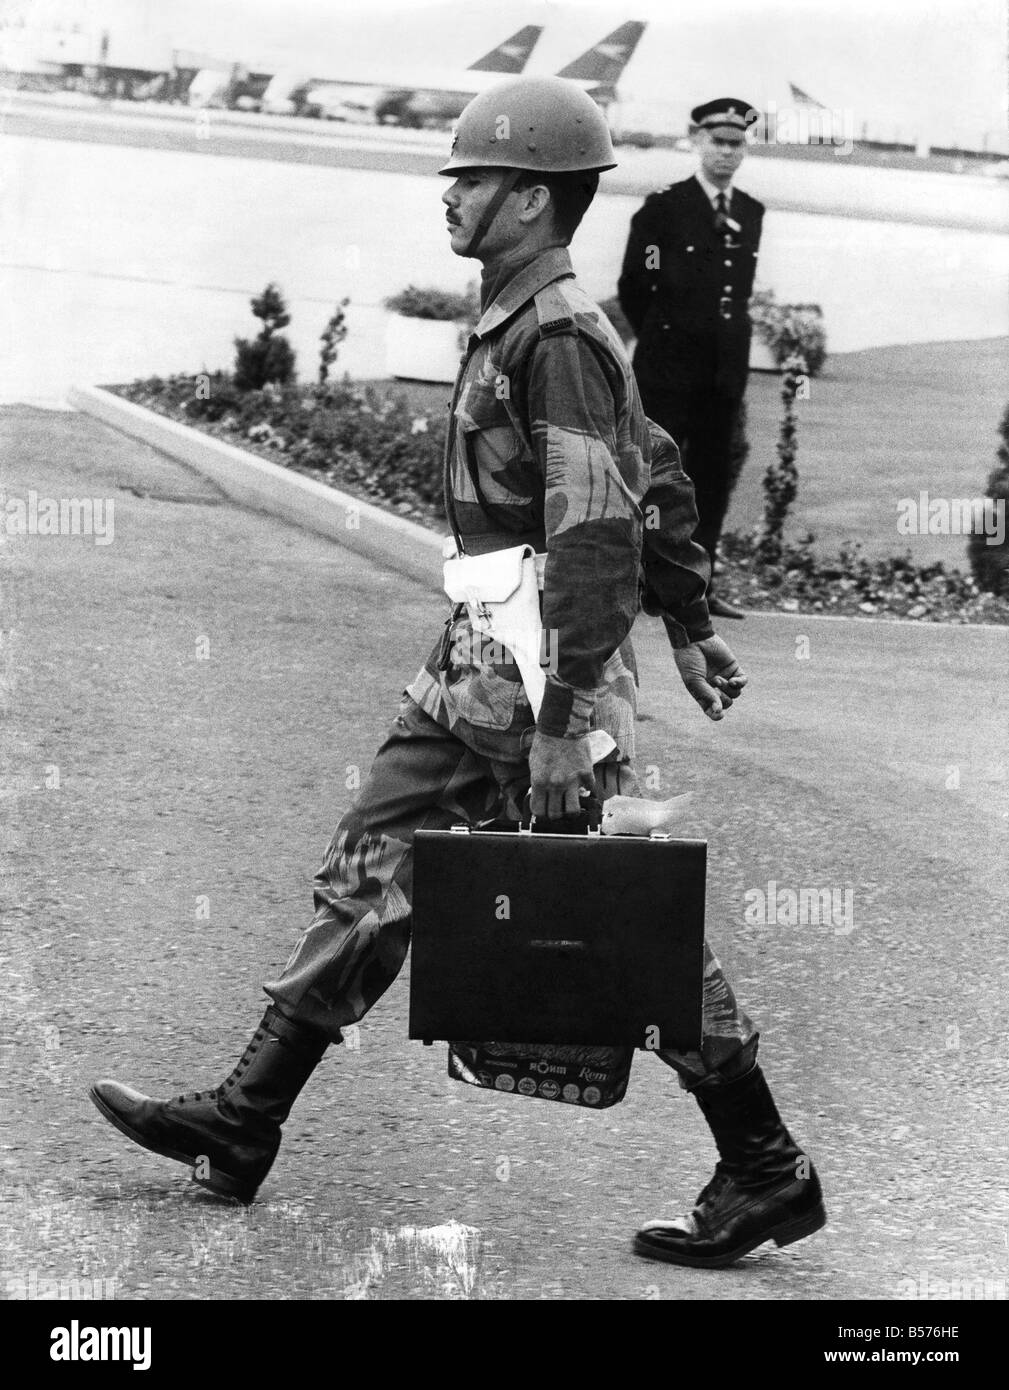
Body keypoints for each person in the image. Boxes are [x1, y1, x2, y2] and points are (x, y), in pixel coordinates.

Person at [90, 75, 824, 1269]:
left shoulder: (563, 335)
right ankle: (244, 1120)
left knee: (616, 924)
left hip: (544, 668)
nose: (453, 194)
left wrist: (567, 711)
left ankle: (763, 1163)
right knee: (372, 860)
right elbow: (664, 467)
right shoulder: (511, 315)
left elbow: (598, 523)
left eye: (473, 178)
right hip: (477, 653)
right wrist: (694, 615)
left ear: (533, 200)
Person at [618, 97, 766, 621]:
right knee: (652, 475)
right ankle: (640, 580)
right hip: (666, 368)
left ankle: (694, 589)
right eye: (718, 142)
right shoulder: (665, 207)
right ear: (697, 141)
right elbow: (635, 283)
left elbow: (737, 294)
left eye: (737, 144)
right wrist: (660, 340)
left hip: (723, 372)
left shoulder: (750, 212)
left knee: (710, 477)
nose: (727, 152)